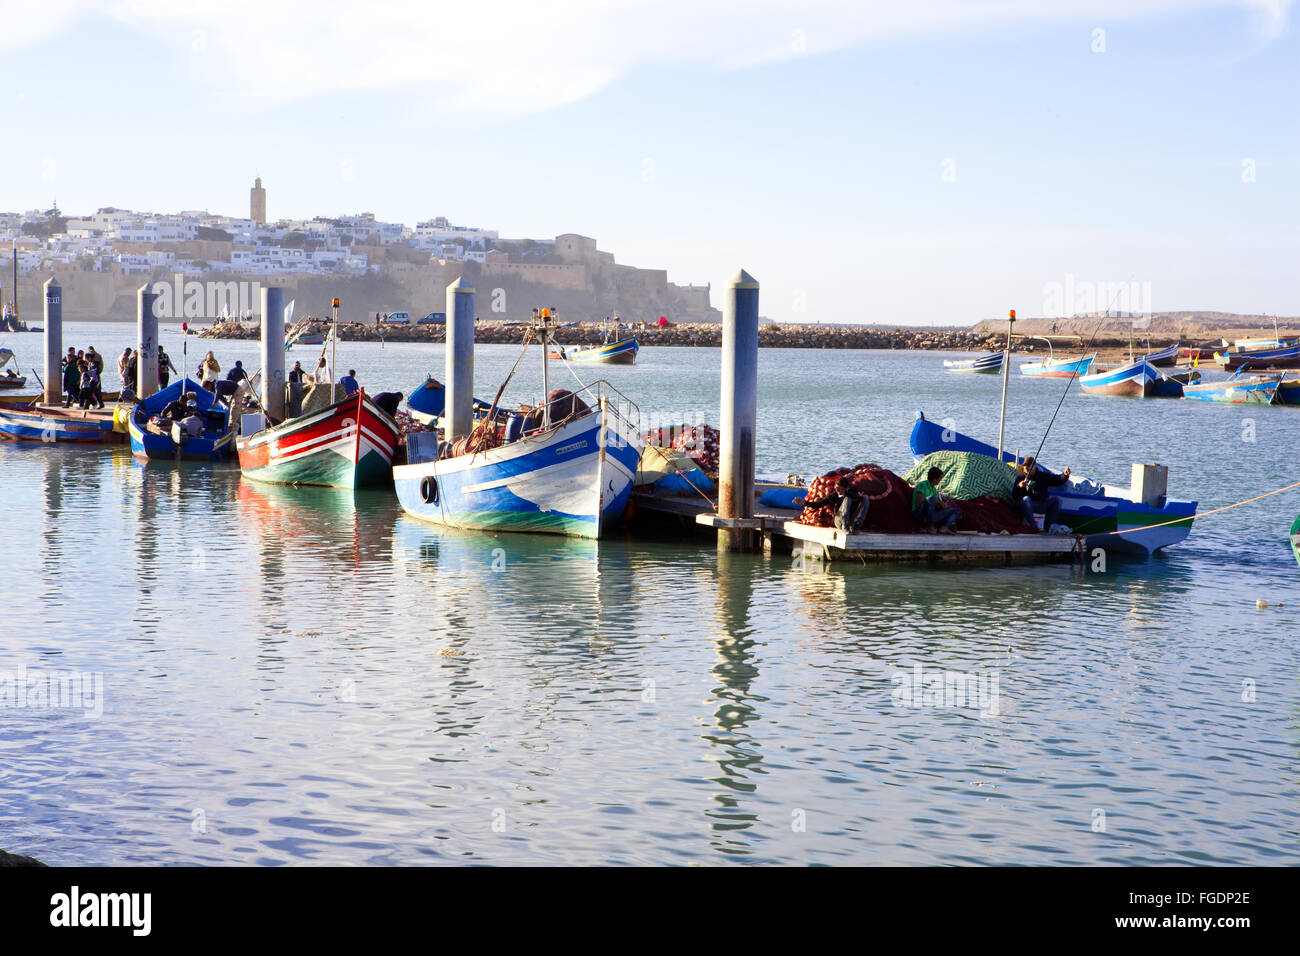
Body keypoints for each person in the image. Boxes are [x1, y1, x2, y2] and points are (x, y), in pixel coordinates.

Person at [1013, 457, 1071, 532]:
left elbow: (1058, 480)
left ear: (1035, 466)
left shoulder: (1042, 476)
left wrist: (1065, 475)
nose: (1026, 467)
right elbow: (1014, 495)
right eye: (1025, 465)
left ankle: (1050, 526)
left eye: (1029, 465)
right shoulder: (1020, 478)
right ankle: (1033, 526)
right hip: (1028, 506)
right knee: (1026, 499)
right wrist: (1019, 486)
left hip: (1042, 503)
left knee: (1057, 499)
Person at [799, 474, 870, 532]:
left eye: (839, 488)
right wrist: (803, 502)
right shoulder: (833, 496)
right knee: (847, 499)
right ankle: (845, 526)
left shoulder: (850, 494)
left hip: (850, 520)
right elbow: (818, 505)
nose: (837, 490)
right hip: (839, 520)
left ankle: (856, 526)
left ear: (845, 488)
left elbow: (860, 503)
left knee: (865, 500)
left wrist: (860, 497)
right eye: (836, 488)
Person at [911, 466, 959, 533]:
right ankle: (930, 527)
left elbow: (940, 503)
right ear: (934, 479)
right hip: (919, 514)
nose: (940, 480)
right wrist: (932, 502)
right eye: (940, 478)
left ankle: (944, 528)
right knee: (931, 499)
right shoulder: (922, 485)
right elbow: (918, 504)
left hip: (930, 516)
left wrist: (944, 506)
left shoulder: (933, 489)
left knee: (955, 511)